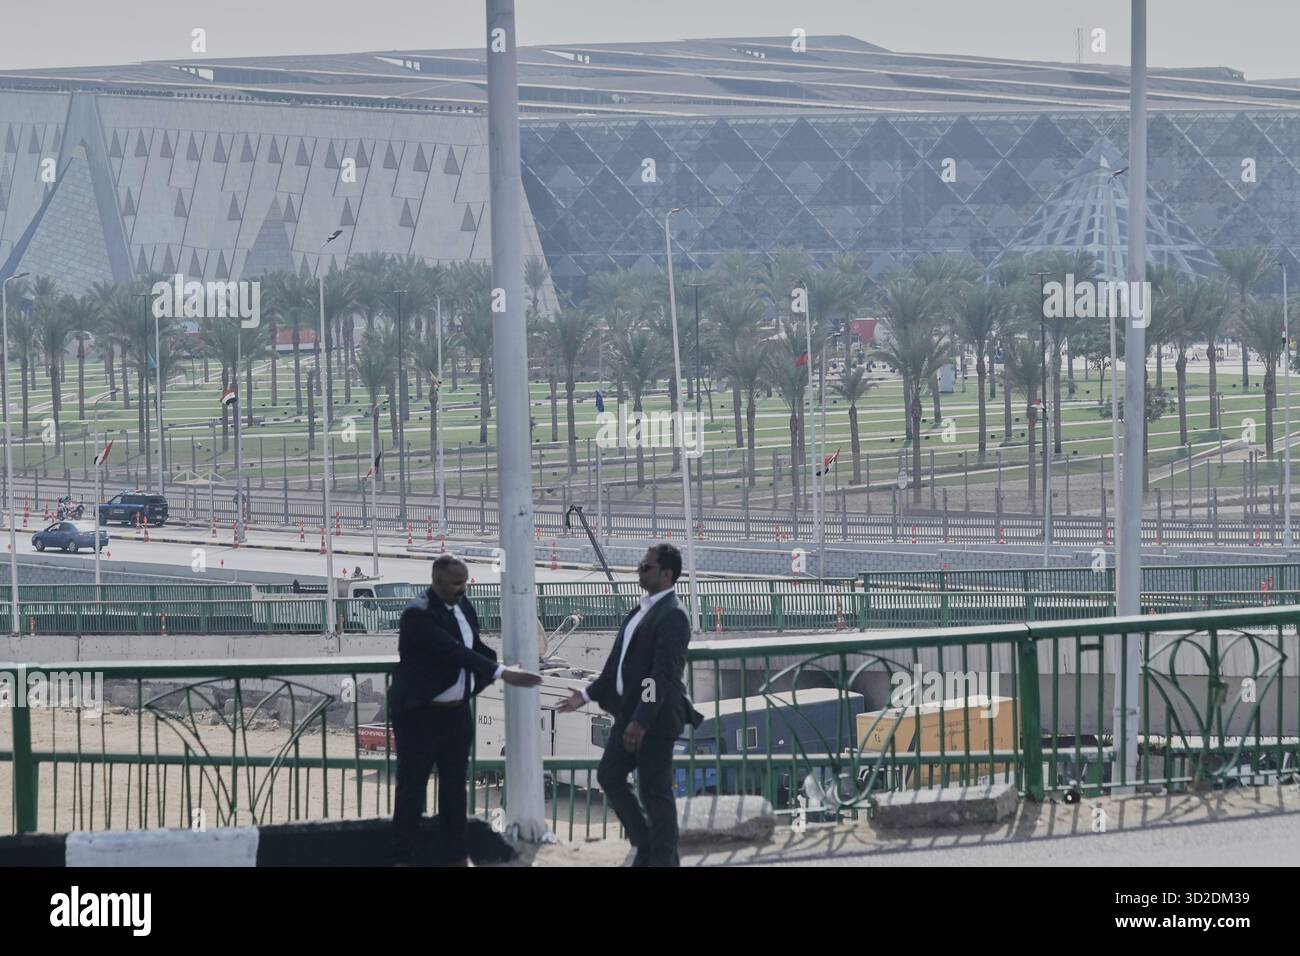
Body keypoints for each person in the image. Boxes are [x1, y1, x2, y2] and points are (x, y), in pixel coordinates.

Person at [389, 555, 540, 865]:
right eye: (456, 583)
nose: (462, 588)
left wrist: (491, 670)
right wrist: (501, 673)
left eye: (465, 581)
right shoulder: (418, 615)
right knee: (412, 789)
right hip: (420, 716)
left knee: (455, 789)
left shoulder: (463, 605)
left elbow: (475, 647)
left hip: (456, 715)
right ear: (437, 582)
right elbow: (452, 651)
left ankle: (456, 856)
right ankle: (402, 858)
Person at [559, 543, 703, 867]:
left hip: (653, 720)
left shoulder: (673, 615)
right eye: (641, 565)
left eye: (646, 566)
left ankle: (662, 859)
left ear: (666, 574)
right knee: (609, 775)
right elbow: (616, 666)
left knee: (655, 793)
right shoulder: (640, 611)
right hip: (629, 715)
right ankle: (646, 843)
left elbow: (660, 676)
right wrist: (585, 694)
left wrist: (641, 719)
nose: (640, 569)